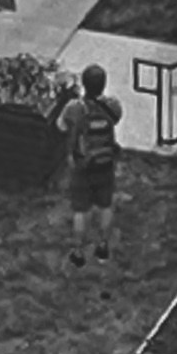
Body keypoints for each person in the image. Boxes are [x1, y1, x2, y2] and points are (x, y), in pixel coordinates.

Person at [56, 61, 123, 268]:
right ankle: (102, 247)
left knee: (81, 211)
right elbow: (117, 119)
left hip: (82, 166)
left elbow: (60, 126)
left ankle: (78, 253)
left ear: (84, 84)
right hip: (106, 163)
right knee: (105, 206)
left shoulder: (75, 108)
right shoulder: (112, 105)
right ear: (104, 84)